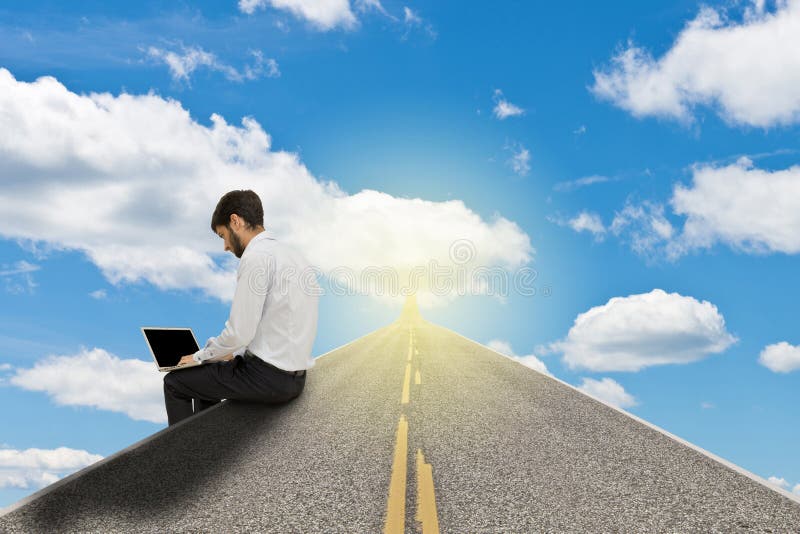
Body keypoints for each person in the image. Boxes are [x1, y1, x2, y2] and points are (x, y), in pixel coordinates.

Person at [163, 189, 319, 426]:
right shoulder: (293, 255)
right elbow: (277, 324)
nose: (225, 246)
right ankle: (206, 441)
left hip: (269, 378)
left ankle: (183, 450)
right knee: (209, 374)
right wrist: (224, 354)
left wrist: (198, 357)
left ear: (235, 221)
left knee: (175, 383)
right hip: (295, 377)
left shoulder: (256, 257)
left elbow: (239, 332)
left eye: (223, 235)